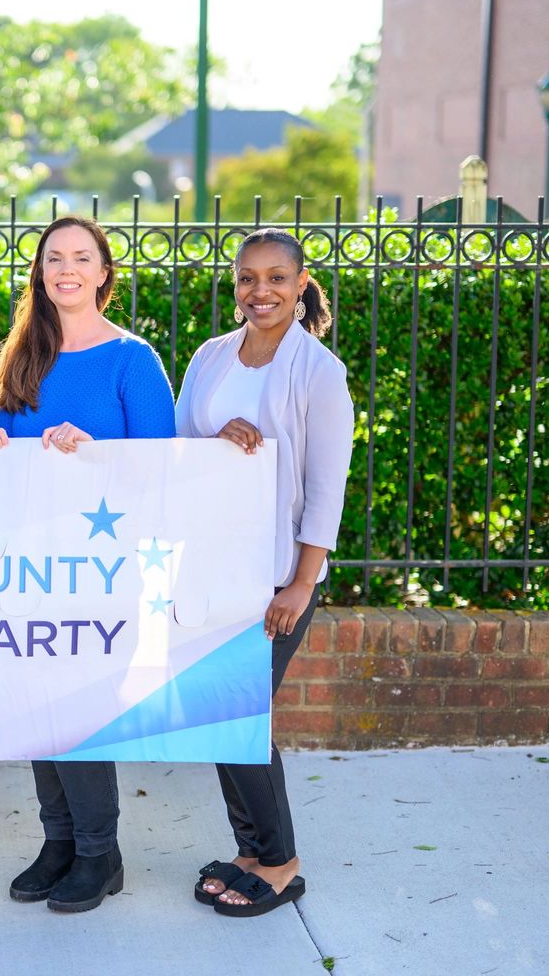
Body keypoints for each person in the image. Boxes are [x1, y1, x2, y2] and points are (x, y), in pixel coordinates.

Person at [0, 215, 175, 913]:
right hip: (26, 568)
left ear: (102, 273)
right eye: (53, 257)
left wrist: (93, 449)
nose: (65, 269)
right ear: (40, 271)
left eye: (80, 258)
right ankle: (58, 843)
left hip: (98, 570)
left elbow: (160, 471)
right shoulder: (21, 354)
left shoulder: (132, 358)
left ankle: (100, 853)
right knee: (36, 709)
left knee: (77, 708)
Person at [176, 226, 354, 918]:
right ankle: (249, 852)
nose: (261, 292)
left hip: (276, 577)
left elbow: (326, 488)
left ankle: (279, 862)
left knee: (238, 712)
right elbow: (176, 447)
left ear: (300, 283)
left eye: (276, 278)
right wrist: (215, 443)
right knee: (219, 717)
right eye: (248, 278)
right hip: (210, 570)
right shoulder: (210, 357)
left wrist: (300, 585)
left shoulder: (318, 371)